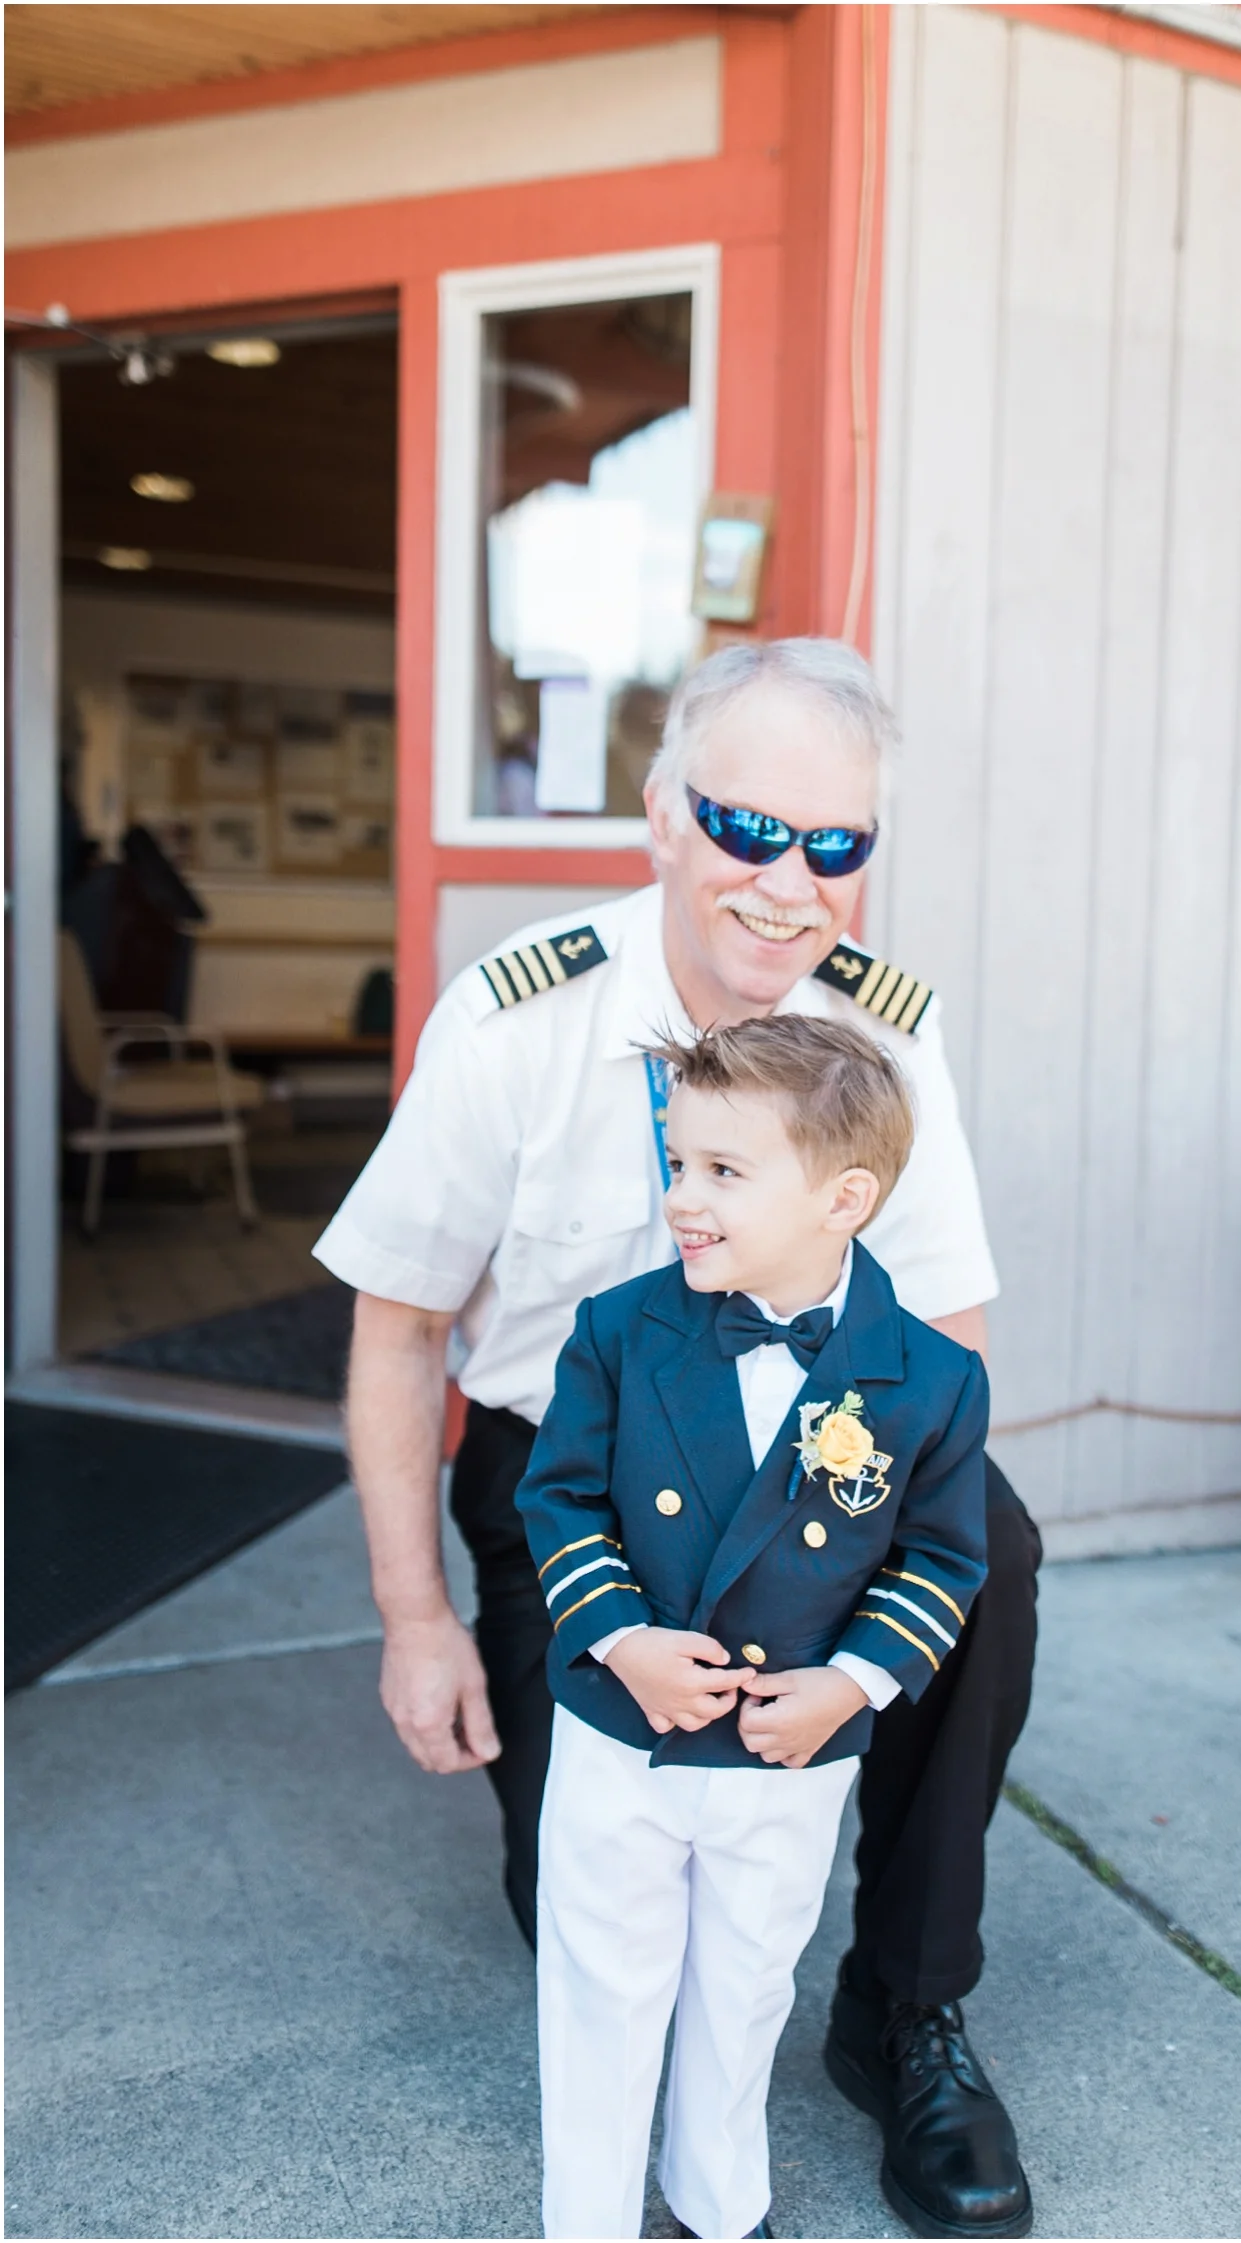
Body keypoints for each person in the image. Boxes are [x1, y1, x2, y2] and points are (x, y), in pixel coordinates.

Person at [314, 637, 1041, 2240]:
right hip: (572, 1488)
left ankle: (906, 2006)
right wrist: (414, 1617)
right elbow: (399, 1321)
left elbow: (950, 1346)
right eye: (748, 826)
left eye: (836, 844)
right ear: (659, 814)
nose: (791, 882)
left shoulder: (884, 1043)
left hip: (813, 1474)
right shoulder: (523, 1016)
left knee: (991, 1533)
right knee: (569, 1907)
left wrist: (853, 1634)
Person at [517, 1016, 991, 2241]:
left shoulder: (927, 1374)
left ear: (846, 1197)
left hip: (787, 1751)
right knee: (601, 1993)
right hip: (623, 1731)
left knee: (743, 1993)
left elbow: (942, 1557)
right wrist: (621, 1636)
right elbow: (558, 1494)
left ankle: (722, 2206)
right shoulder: (621, 1329)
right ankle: (590, 2219)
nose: (685, 1199)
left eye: (725, 1173)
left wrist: (850, 1684)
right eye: (679, 1163)